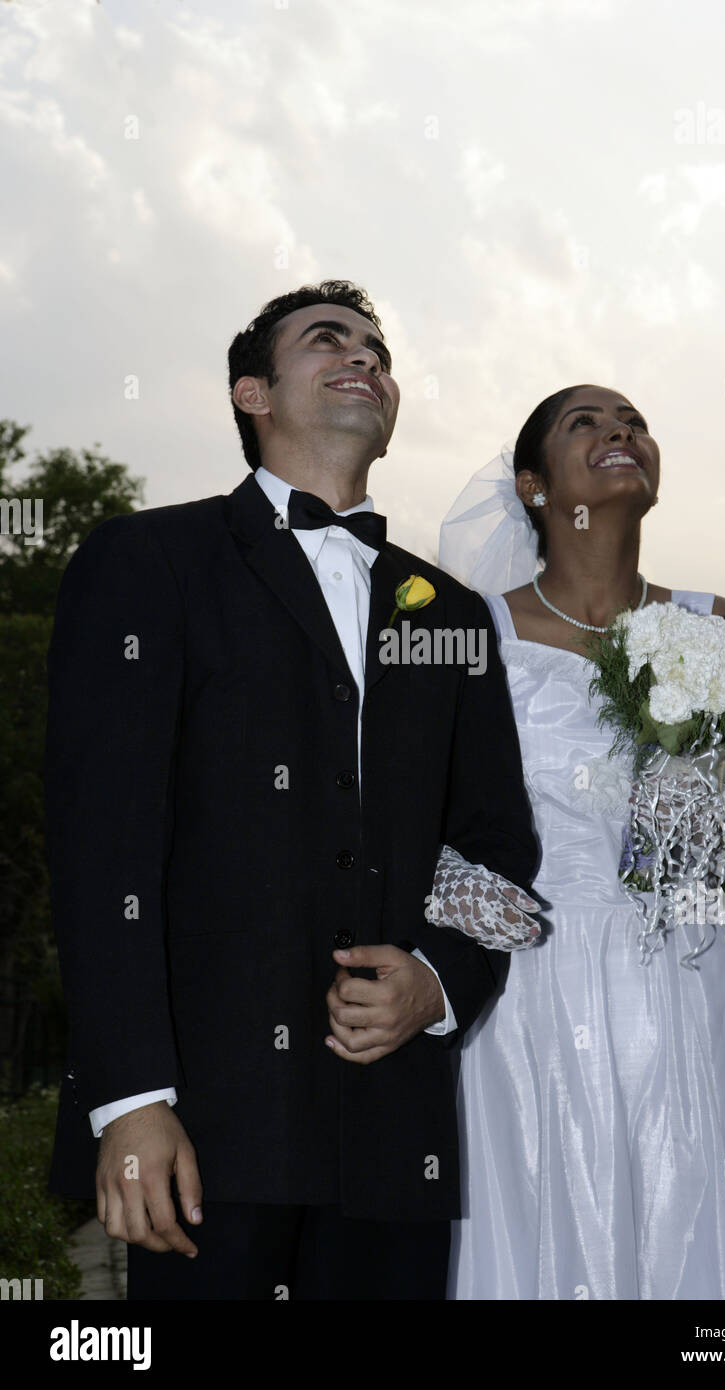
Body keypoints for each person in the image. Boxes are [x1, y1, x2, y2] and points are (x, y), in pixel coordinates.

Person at [44, 280, 539, 1301]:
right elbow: (103, 848)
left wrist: (438, 980)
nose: (363, 356)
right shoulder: (146, 562)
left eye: (376, 348)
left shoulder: (447, 611)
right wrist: (130, 1099)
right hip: (205, 1125)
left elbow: (492, 841)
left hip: (393, 1133)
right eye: (327, 340)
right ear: (252, 392)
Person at [437, 384, 725, 1300]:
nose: (622, 431)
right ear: (534, 486)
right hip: (526, 987)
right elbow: (415, 817)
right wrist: (449, 884)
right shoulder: (472, 633)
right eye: (587, 422)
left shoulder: (718, 626)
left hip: (688, 983)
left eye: (635, 422)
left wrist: (720, 837)